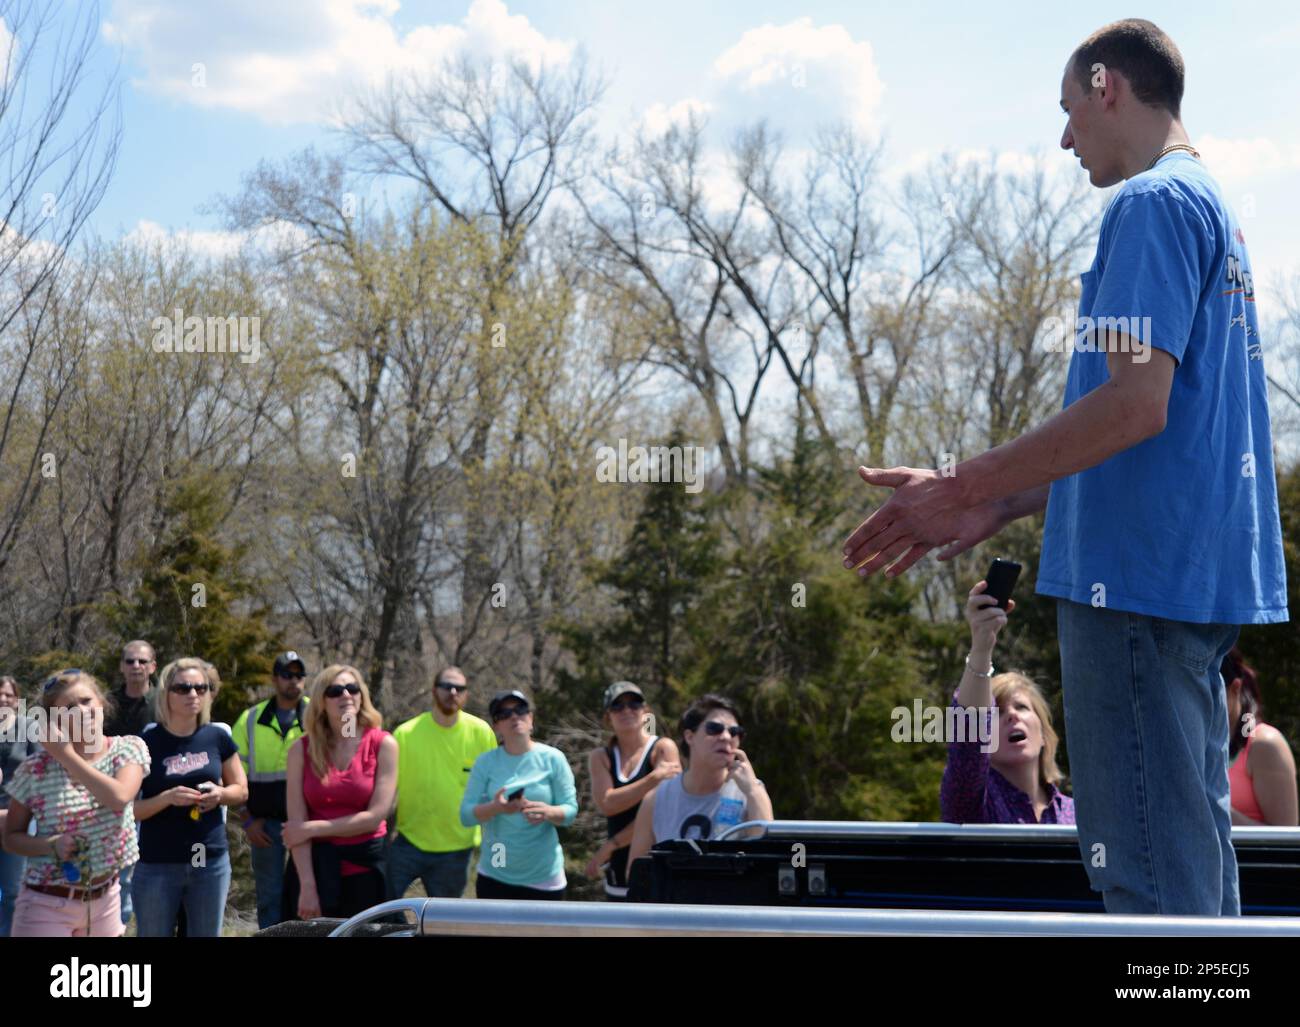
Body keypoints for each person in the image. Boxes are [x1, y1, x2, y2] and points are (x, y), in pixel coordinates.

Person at [842, 19, 1286, 916]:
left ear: (1105, 86)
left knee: (1148, 883)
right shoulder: (1211, 211)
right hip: (1179, 586)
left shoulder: (1150, 205)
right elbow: (1158, 431)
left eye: (1067, 111)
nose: (1063, 138)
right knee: (1188, 869)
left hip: (1133, 588)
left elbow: (1133, 404)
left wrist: (963, 483)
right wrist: (1000, 503)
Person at [1, 671, 148, 936]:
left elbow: (119, 797)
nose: (81, 711)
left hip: (106, 901)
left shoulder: (128, 749)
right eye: (69, 707)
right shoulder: (35, 769)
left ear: (101, 703)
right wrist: (51, 845)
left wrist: (66, 755)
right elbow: (12, 838)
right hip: (45, 903)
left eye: (86, 701)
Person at [941, 582, 1075, 824]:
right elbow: (969, 733)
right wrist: (982, 646)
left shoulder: (1080, 816)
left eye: (1022, 707)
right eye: (997, 712)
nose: (1012, 715)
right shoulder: (969, 802)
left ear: (1044, 733)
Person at [133, 659, 247, 937]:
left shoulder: (217, 736)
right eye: (183, 688)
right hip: (158, 861)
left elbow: (241, 790)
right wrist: (167, 798)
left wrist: (219, 795)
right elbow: (130, 808)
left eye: (200, 687)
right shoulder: (147, 742)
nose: (193, 694)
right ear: (166, 693)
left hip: (206, 859)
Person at [282, 665, 396, 920]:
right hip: (313, 870)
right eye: (335, 691)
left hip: (367, 870)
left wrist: (313, 828)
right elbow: (295, 827)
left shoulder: (383, 744)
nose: (345, 695)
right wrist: (308, 888)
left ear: (361, 695)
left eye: (352, 688)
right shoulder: (300, 750)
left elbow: (374, 817)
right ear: (321, 702)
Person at [388, 666, 497, 900]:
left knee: (444, 921)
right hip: (408, 842)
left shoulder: (481, 732)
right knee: (381, 907)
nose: (453, 692)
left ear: (466, 694)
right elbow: (387, 792)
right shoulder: (405, 734)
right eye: (446, 686)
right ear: (434, 691)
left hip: (457, 848)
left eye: (460, 688)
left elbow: (493, 789)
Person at [627, 695, 773, 869]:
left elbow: (768, 857)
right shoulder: (655, 800)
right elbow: (635, 872)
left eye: (735, 732)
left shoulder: (751, 792)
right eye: (714, 728)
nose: (726, 737)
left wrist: (753, 791)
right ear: (689, 737)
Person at [460, 690, 577, 900]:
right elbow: (466, 816)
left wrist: (547, 812)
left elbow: (570, 812)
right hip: (496, 872)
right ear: (496, 726)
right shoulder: (485, 763)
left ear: (530, 718)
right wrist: (496, 808)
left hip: (544, 874)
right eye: (504, 714)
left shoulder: (553, 759)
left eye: (520, 710)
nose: (514, 716)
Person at [231, 650, 309, 929]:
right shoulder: (250, 719)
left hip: (309, 825)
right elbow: (231, 774)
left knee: (306, 895)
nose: (294, 681)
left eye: (299, 675)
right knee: (269, 897)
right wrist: (248, 820)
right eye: (287, 675)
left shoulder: (318, 715)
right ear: (275, 679)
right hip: (264, 828)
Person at [584, 682, 680, 899]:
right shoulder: (601, 757)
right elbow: (608, 805)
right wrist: (653, 778)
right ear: (608, 716)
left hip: (658, 864)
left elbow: (665, 811)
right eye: (617, 706)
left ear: (645, 710)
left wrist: (611, 844)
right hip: (618, 871)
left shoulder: (663, 749)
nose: (626, 711)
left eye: (634, 704)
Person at [105, 639, 157, 927]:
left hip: (156, 796)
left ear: (152, 666)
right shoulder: (106, 705)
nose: (135, 666)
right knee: (120, 869)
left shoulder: (165, 702)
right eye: (129, 661)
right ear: (121, 667)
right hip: (116, 796)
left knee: (150, 869)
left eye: (141, 661)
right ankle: (118, 927)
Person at [1222, 648, 1297, 826]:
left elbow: (1285, 840)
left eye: (1211, 694)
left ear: (1235, 688)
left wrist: (1213, 807)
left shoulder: (1265, 744)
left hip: (1250, 855)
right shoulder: (1198, 743)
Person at [0, 676, 39, 935]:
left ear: (17, 700)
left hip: (17, 818)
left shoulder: (28, 727)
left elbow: (40, 769)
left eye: (8, 695)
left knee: (15, 890)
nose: (3, 700)